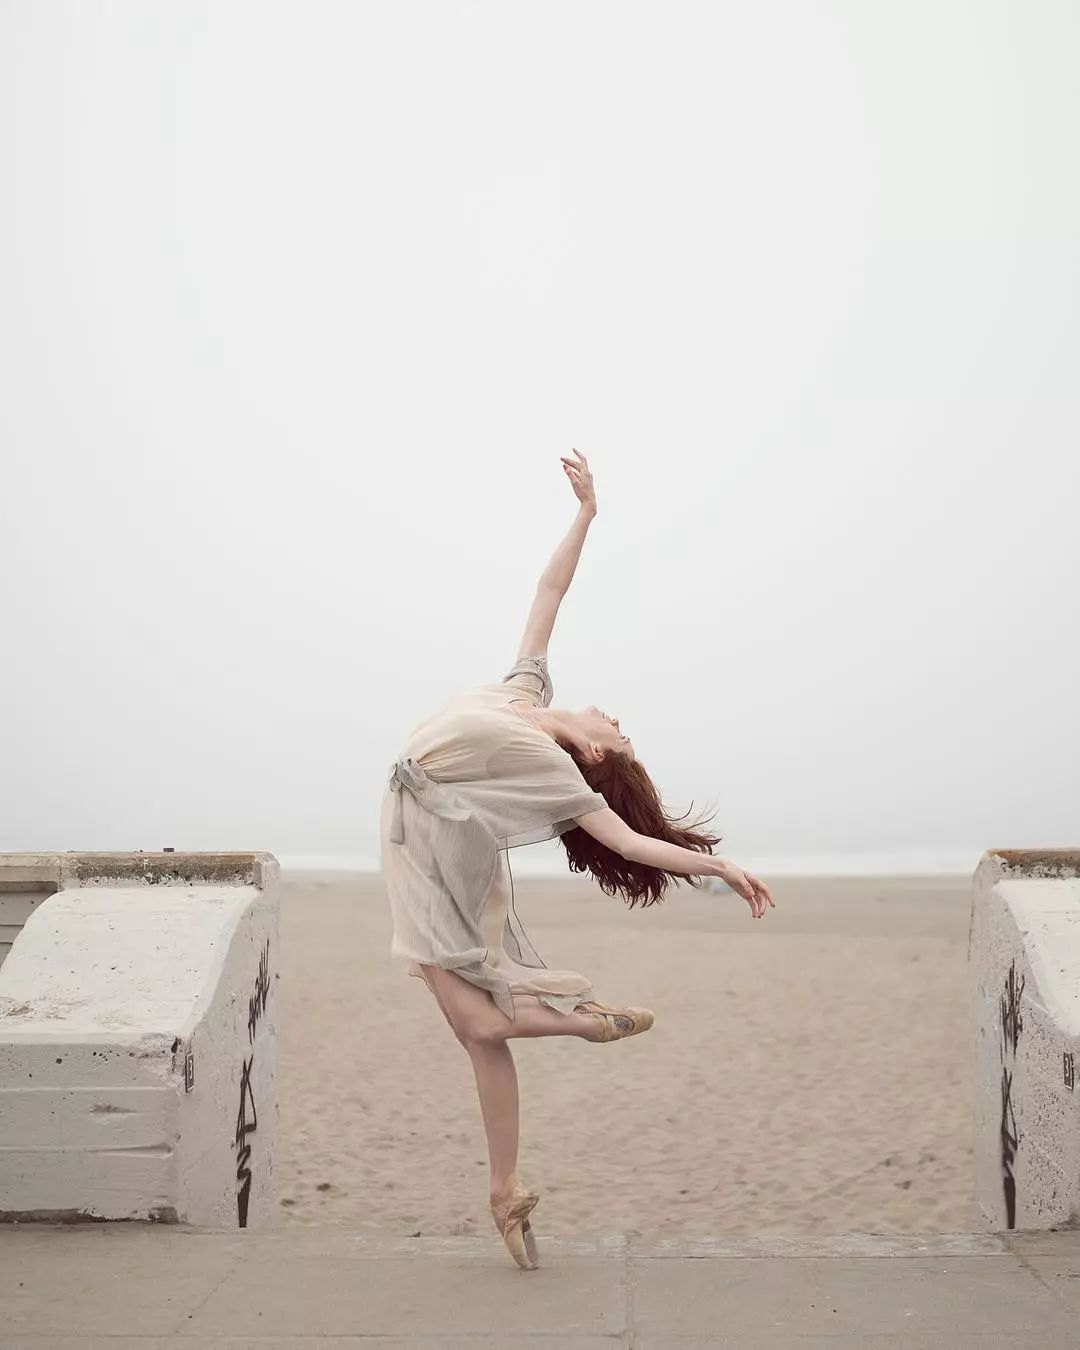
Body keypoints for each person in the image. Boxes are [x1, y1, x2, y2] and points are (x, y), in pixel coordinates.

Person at [379, 448, 775, 1271]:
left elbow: (629, 842)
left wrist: (720, 868)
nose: (614, 716)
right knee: (479, 1032)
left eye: (618, 733)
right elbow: (548, 594)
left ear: (596, 757)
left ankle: (582, 1036)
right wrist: (586, 514)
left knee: (482, 1022)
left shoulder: (558, 772)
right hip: (417, 848)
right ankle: (506, 1187)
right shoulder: (522, 693)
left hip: (436, 851)